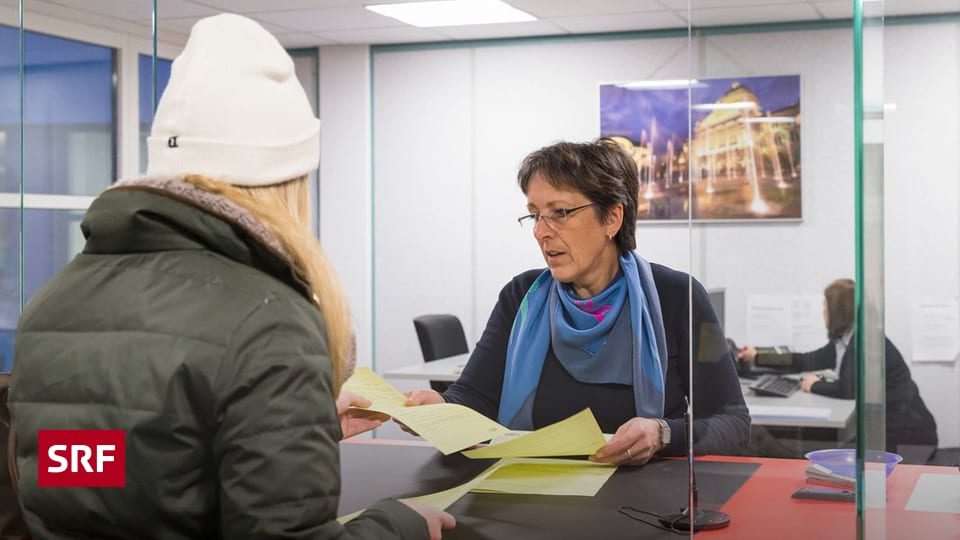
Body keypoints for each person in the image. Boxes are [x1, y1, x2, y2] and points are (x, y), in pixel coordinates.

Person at [8, 14, 453, 540]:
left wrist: (280, 433)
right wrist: (400, 526)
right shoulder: (267, 319)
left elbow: (104, 478)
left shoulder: (52, 303)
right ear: (286, 181)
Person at [405, 139, 751, 463]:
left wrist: (663, 433)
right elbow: (475, 397)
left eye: (560, 212)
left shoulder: (677, 296)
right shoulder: (521, 296)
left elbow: (732, 424)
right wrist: (438, 407)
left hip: (640, 508)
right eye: (535, 214)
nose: (541, 231)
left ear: (612, 218)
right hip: (530, 497)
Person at [737, 278, 938, 463]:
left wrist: (816, 385)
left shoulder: (864, 342)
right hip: (892, 431)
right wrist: (758, 355)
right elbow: (805, 360)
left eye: (825, 307)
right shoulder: (846, 339)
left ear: (838, 312)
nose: (823, 312)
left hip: (906, 437)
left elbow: (847, 389)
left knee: (821, 453)